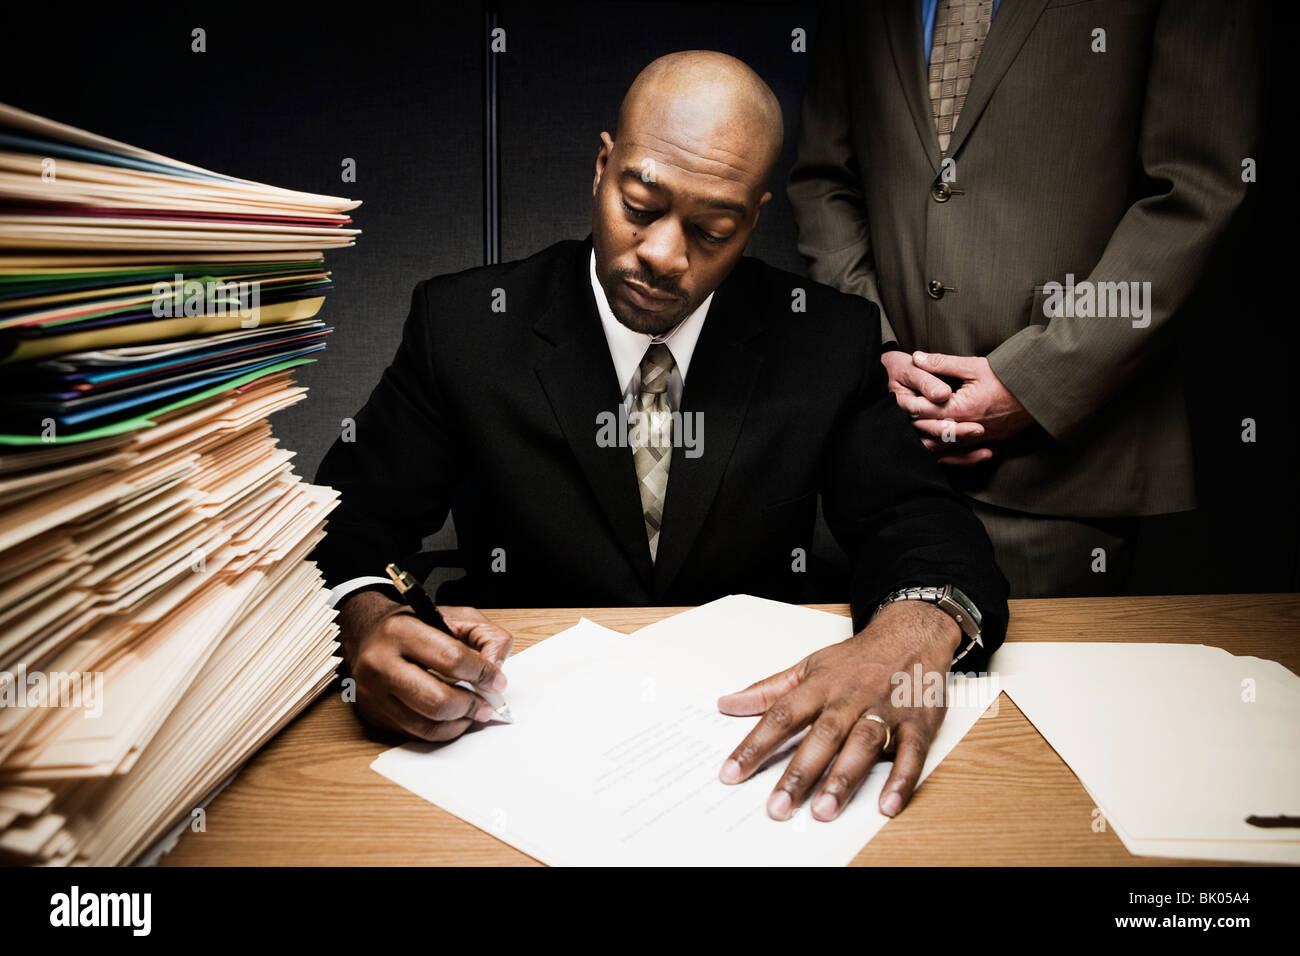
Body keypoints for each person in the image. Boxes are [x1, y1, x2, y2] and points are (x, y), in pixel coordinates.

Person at [311, 51, 1008, 823]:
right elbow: (343, 524)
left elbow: (921, 521)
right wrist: (370, 613)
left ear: (753, 216)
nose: (664, 256)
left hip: (742, 754)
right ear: (603, 166)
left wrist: (912, 632)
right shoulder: (467, 327)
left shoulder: (828, 338)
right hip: (516, 755)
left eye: (714, 229)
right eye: (640, 204)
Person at [788, 0, 1259, 597]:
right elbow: (825, 180)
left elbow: (1199, 191)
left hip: (1058, 467)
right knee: (891, 686)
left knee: (1030, 691)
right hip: (884, 456)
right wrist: (872, 349)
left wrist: (1033, 381)